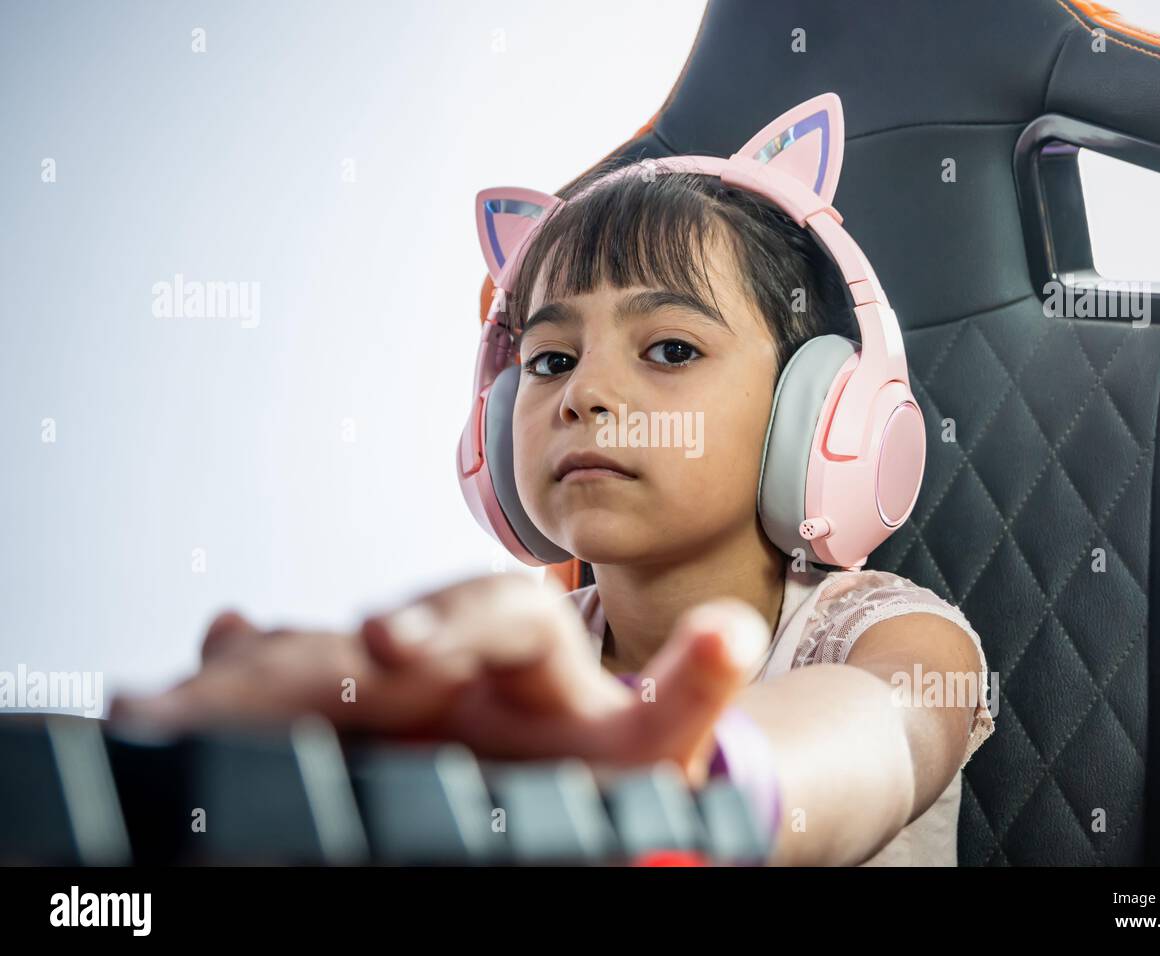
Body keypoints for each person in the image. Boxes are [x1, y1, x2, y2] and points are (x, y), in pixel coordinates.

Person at [112, 94, 994, 866]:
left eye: (672, 349)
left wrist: (691, 780)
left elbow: (874, 738)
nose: (584, 394)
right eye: (549, 359)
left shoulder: (889, 636)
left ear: (824, 413)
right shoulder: (522, 664)